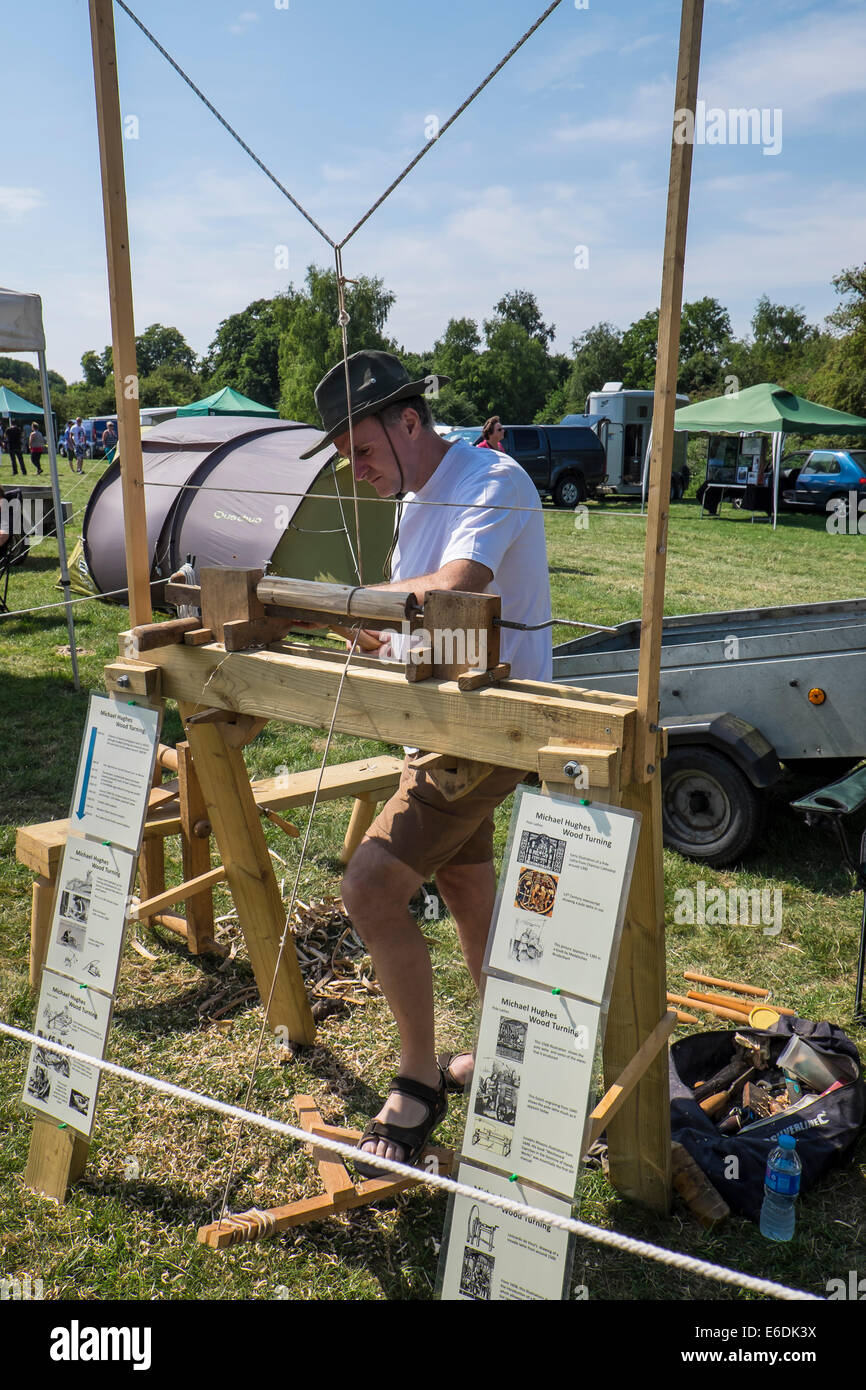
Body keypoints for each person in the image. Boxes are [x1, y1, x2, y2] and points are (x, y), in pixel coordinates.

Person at [301, 350, 552, 1175]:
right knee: (468, 886)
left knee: (370, 887)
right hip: (440, 717)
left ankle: (419, 1079)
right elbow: (420, 627)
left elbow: (455, 589)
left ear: (408, 421)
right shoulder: (412, 498)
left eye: (363, 451)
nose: (358, 470)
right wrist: (372, 632)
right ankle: (502, 1054)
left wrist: (346, 602)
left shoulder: (493, 480)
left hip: (490, 723)